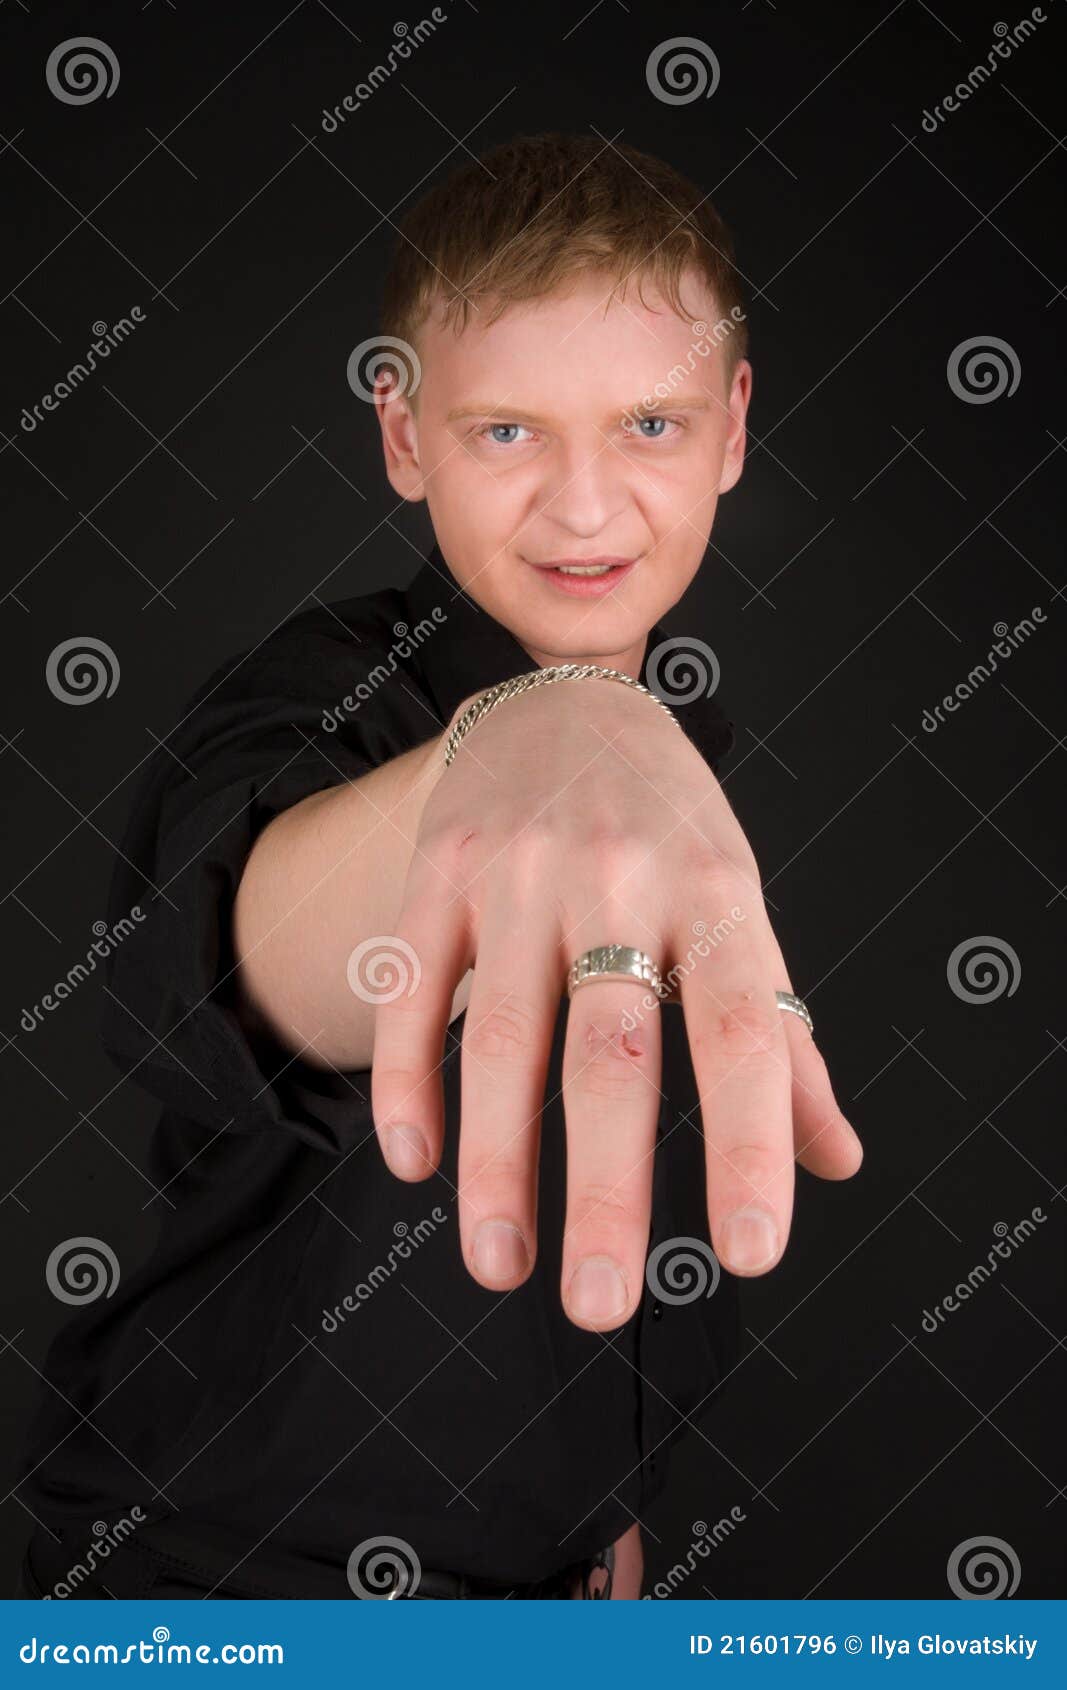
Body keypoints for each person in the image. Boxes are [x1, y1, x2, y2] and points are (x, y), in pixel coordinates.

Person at [12, 132, 861, 1602]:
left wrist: (604, 1529)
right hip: (218, 1591)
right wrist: (550, 722)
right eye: (507, 432)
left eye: (648, 427)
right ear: (403, 435)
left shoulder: (673, 780)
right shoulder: (311, 702)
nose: (586, 508)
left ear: (732, 425)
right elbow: (239, 950)